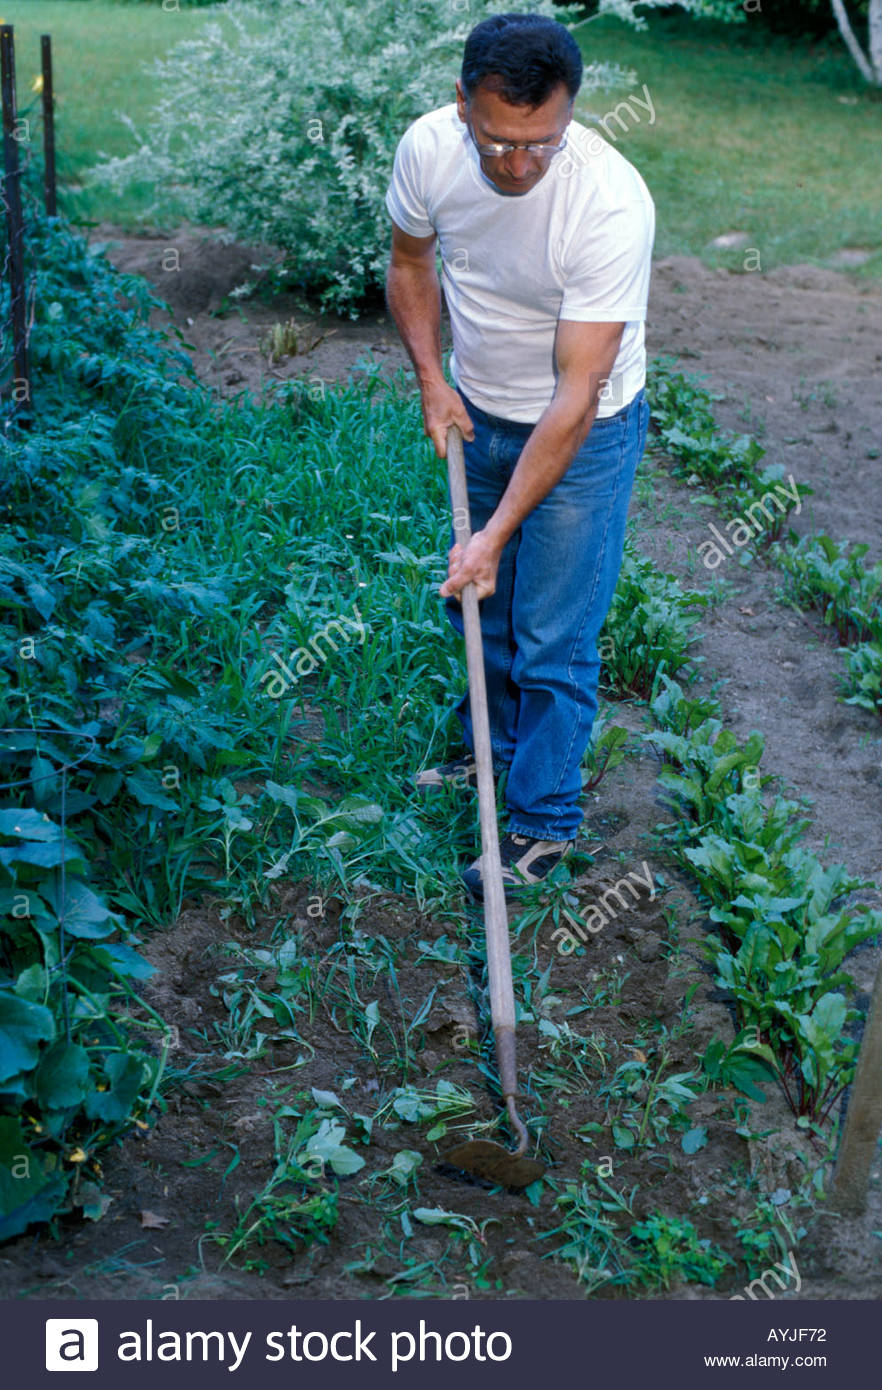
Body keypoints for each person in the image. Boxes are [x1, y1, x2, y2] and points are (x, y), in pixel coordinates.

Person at [384, 11, 654, 899]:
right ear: (462, 104)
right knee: (483, 618)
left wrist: (495, 533)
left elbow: (576, 396)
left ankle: (539, 820)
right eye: (498, 141)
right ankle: (485, 760)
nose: (519, 164)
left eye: (542, 142)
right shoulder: (427, 150)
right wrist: (433, 377)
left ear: (570, 115)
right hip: (480, 409)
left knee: (551, 636)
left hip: (583, 433)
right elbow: (412, 262)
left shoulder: (610, 202)